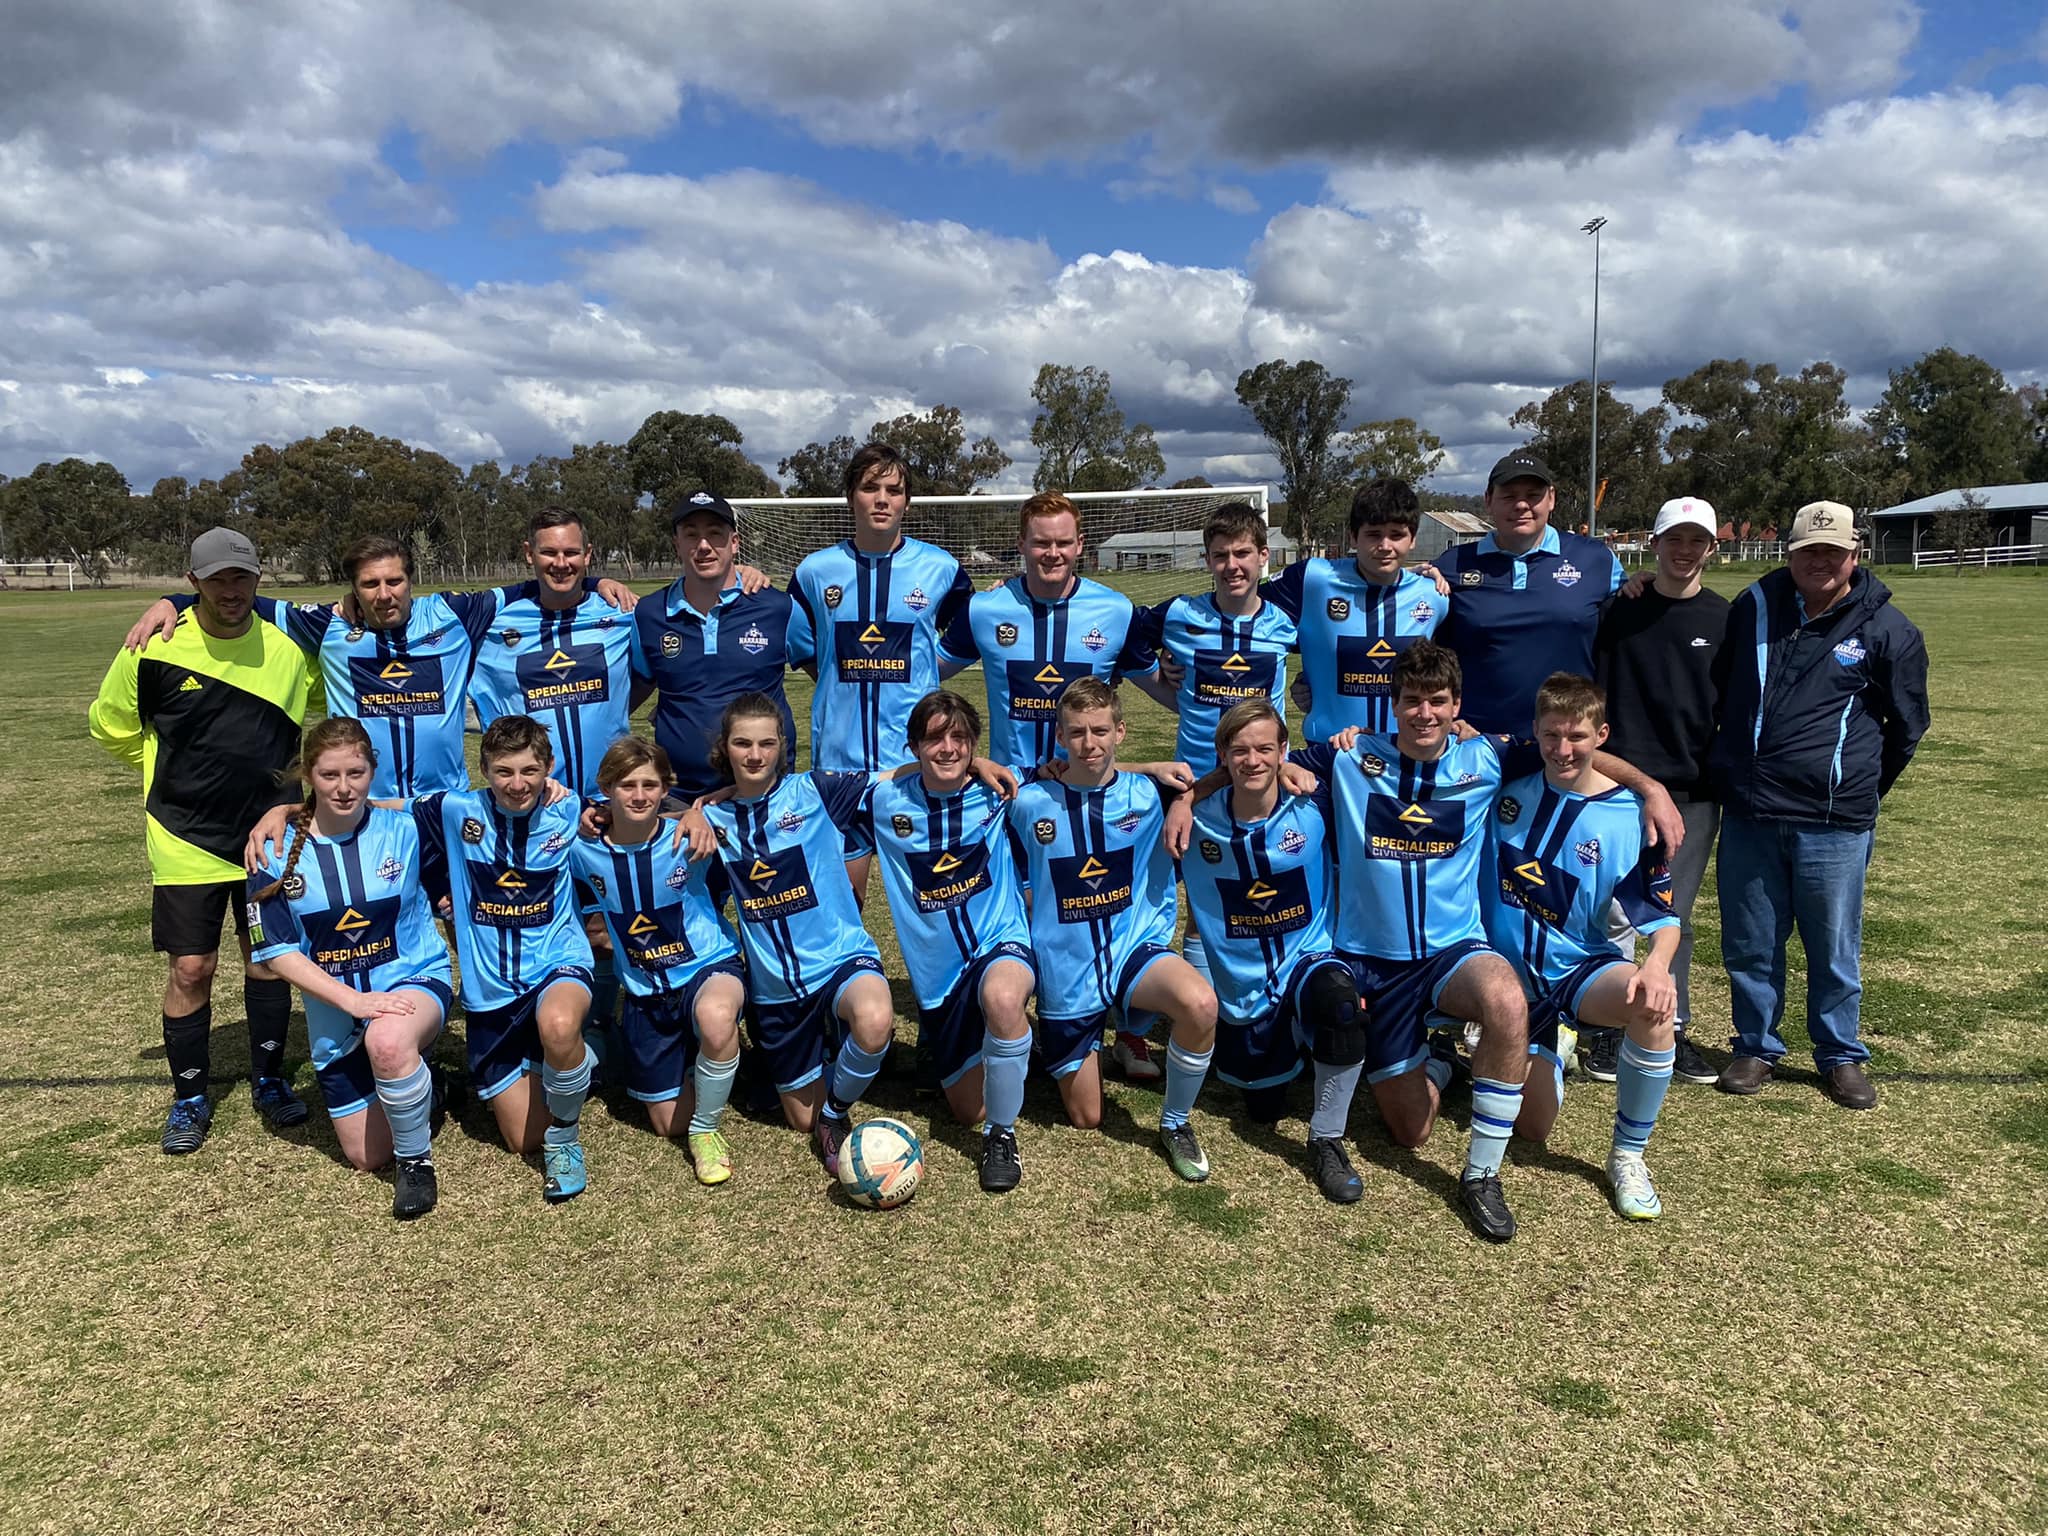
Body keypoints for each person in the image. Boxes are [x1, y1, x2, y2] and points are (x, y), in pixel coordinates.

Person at [1267, 641, 1679, 1243]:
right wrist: (1268, 769)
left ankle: (1481, 1175)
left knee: (1505, 999)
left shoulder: (1484, 757)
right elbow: (1254, 752)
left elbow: (1569, 749)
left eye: (1438, 701)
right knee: (1410, 1133)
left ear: (1457, 706)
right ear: (1394, 704)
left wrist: (1652, 789)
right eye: (1412, 701)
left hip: (1452, 953)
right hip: (1370, 960)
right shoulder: (1350, 759)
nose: (1425, 713)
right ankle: (1441, 1064)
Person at [89, 527, 322, 1154]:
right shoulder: (152, 646)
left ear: (257, 580)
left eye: (241, 577)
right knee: (192, 967)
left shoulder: (290, 647)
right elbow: (109, 726)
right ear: (193, 582)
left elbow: (320, 713)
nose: (230, 589)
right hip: (182, 836)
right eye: (216, 578)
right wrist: (167, 775)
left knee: (269, 962)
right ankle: (190, 1095)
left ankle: (270, 1080)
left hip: (266, 836)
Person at [121, 534, 639, 798]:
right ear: (354, 589)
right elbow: (246, 600)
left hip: (444, 804)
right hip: (364, 805)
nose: (385, 594)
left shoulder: (454, 614)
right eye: (371, 584)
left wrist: (596, 584)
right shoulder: (326, 625)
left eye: (394, 581)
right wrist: (174, 599)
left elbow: (540, 582)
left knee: (461, 915)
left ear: (411, 579)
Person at [1708, 501, 1929, 1109]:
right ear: (1791, 553)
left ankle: (1840, 1053)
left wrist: (1852, 783)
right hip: (1753, 813)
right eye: (1810, 551)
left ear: (1854, 555)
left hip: (1834, 822)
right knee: (1751, 941)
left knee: (1833, 946)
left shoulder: (1888, 629)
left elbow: (1907, 726)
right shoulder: (1753, 608)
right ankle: (1755, 1045)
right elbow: (1720, 689)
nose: (1821, 563)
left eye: (1834, 552)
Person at [939, 490, 1165, 1081]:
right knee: (1017, 914)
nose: (1053, 552)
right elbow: (925, 670)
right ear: (1021, 545)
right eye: (1041, 542)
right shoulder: (986, 611)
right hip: (1010, 800)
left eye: (1064, 541)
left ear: (1081, 545)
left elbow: (1163, 688)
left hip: (1093, 796)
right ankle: (1015, 1024)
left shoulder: (1115, 611)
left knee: (1101, 906)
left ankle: (1122, 1030)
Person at [1482, 675, 1683, 1220]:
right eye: (1551, 735)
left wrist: (1658, 966)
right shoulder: (1501, 789)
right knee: (1532, 1128)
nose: (1563, 749)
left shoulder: (1629, 818)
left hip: (1579, 970)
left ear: (1602, 735)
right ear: (1535, 732)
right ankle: (1544, 1047)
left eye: (1577, 736)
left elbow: (1662, 918)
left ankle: (1629, 1154)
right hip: (1502, 977)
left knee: (1651, 1005)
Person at [1006, 678, 1220, 1181]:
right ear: (1060, 737)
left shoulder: (1149, 793)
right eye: (1077, 733)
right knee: (1087, 1118)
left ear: (1120, 731)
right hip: (1068, 970)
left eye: (1101, 730)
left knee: (1201, 1003)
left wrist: (1185, 799)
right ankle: (1083, 1041)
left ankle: (1175, 1122)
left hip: (1133, 950)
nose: (1090, 743)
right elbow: (966, 780)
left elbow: (1235, 774)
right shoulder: (1029, 802)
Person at [246, 719, 451, 1218]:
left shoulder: (404, 828)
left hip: (412, 978)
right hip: (337, 1007)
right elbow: (275, 952)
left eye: (356, 773)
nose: (343, 787)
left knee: (387, 1041)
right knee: (364, 1156)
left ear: (372, 770)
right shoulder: (271, 850)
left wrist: (557, 793)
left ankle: (416, 1165)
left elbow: (497, 801)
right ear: (308, 775)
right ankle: (431, 1085)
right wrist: (353, 1002)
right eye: (329, 774)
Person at [688, 693, 898, 1178]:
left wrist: (977, 760)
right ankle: (813, 1062)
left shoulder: (816, 791)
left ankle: (834, 1113)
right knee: (796, 1118)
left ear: (783, 744)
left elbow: (895, 776)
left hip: (840, 959)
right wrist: (697, 807)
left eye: (766, 742)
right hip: (778, 988)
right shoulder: (713, 821)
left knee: (875, 1018)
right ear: (726, 747)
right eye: (743, 744)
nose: (755, 755)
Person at [1174, 701, 1367, 1204]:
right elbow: (1095, 772)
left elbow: (1396, 741)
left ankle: (1327, 1139)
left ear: (1284, 750)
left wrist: (1459, 725)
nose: (1253, 760)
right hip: (1243, 992)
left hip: (1308, 961)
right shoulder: (1194, 819)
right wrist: (1187, 795)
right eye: (1239, 750)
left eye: (1265, 748)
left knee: (1341, 1001)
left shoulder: (1315, 796)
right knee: (1262, 1108)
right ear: (1222, 756)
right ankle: (1296, 1047)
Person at [856, 690, 1037, 1192]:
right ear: (914, 745)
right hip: (940, 978)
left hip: (1000, 942)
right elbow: (788, 790)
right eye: (935, 738)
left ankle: (1001, 1137)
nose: (949, 748)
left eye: (960, 738)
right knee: (965, 1109)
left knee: (1002, 998)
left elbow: (1085, 766)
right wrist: (701, 804)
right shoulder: (880, 797)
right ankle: (1002, 1047)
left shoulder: (1000, 789)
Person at [412, 716, 597, 1201]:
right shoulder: (456, 809)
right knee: (521, 1139)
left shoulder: (570, 807)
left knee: (558, 1025)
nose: (518, 784)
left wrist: (702, 809)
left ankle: (566, 1137)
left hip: (557, 963)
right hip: (489, 991)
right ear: (483, 770)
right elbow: (377, 809)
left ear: (550, 767)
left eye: (531, 771)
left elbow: (638, 807)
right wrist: (288, 811)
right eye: (504, 772)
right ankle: (573, 1063)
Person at [1583, 495, 1730, 1087]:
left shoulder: (1727, 618)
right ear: (1654, 544)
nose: (1685, 551)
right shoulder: (1620, 610)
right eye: (1674, 539)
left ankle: (1673, 1025)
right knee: (1615, 910)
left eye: (1697, 541)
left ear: (1712, 548)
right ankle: (1610, 1026)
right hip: (1619, 781)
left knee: (1675, 916)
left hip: (1693, 789)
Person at [570, 737, 747, 1186]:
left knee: (716, 1014)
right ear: (606, 789)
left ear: (666, 787)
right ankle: (686, 1057)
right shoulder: (581, 849)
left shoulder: (692, 835)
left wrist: (699, 806)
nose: (639, 795)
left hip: (708, 968)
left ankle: (707, 1130)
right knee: (669, 1124)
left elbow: (751, 792)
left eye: (651, 785)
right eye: (627, 785)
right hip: (648, 994)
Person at [786, 443, 974, 780]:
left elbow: (973, 628)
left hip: (915, 761)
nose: (882, 499)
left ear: (907, 502)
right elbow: (804, 646)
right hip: (836, 762)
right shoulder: (814, 572)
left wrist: (927, 668)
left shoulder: (941, 568)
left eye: (894, 490)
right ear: (850, 497)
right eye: (870, 488)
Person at [1433, 452, 1624, 735]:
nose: (1521, 505)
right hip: (1476, 741)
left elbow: (1642, 610)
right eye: (1508, 496)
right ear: (1488, 500)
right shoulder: (1452, 565)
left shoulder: (1596, 560)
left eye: (1533, 495)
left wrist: (1646, 580)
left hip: (1566, 744)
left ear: (1551, 499)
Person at [633, 490, 798, 797]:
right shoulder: (649, 614)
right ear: (677, 544)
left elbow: (824, 674)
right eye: (691, 535)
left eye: (715, 534)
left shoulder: (779, 608)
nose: (704, 546)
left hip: (769, 792)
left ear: (734, 543)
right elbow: (633, 691)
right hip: (681, 798)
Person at [1260, 478, 1448, 739]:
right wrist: (1183, 654)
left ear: (1412, 539)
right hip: (1330, 749)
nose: (1385, 546)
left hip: (1405, 751)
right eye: (1373, 534)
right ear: (1353, 536)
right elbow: (1239, 609)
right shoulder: (1313, 579)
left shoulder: (1434, 595)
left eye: (1397, 535)